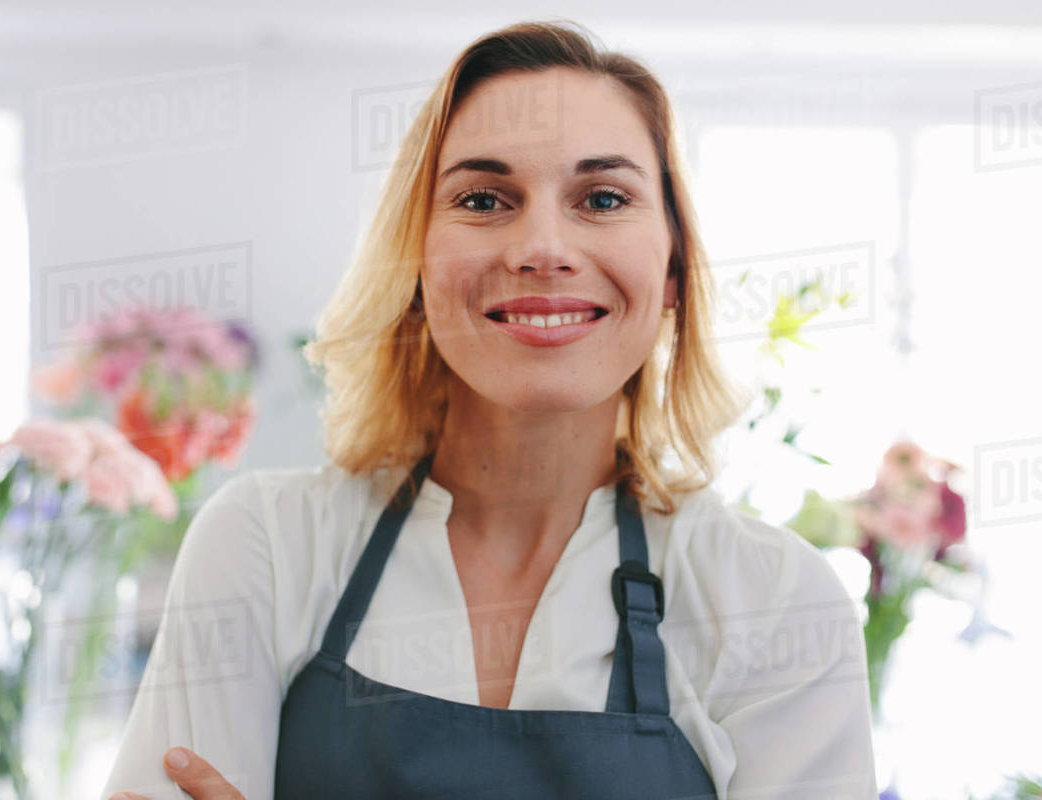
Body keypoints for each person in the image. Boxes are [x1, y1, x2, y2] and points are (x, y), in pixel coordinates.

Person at [102, 19, 878, 800]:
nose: (542, 247)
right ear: (415, 265)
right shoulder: (266, 546)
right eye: (482, 199)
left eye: (603, 198)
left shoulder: (776, 602)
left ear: (673, 271)